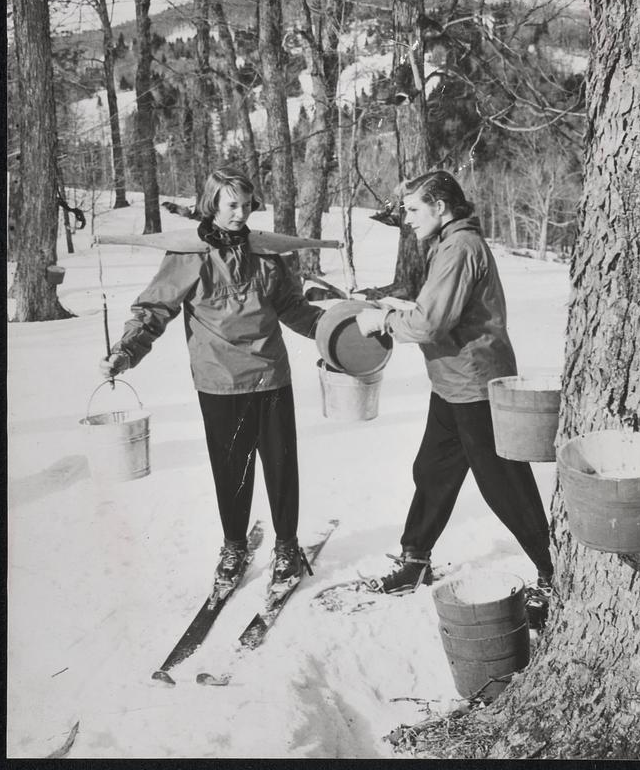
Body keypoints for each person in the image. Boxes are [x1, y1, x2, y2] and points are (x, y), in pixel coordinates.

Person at [99, 166, 324, 593]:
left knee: (282, 465)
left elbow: (294, 308)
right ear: (212, 203)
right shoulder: (188, 254)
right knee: (231, 470)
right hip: (219, 381)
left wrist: (337, 334)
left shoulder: (266, 254)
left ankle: (288, 546)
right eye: (231, 204)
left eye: (246, 204)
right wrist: (125, 352)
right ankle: (234, 547)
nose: (241, 213)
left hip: (271, 375)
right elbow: (153, 310)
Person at [355, 170, 554, 597]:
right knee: (432, 470)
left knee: (505, 487)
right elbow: (440, 310)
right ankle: (415, 559)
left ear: (440, 207)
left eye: (413, 209)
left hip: (476, 386)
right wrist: (401, 305)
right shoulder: (449, 244)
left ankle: (555, 572)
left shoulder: (460, 248)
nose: (406, 218)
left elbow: (431, 323)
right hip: (452, 381)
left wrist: (385, 321)